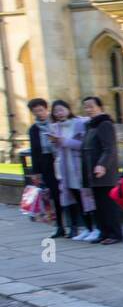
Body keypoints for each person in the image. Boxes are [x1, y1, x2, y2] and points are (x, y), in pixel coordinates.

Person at [45, 100, 96, 240]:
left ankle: (95, 228)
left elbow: (84, 145)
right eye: (56, 111)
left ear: (68, 109)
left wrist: (64, 141)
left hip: (78, 166)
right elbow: (57, 149)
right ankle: (87, 228)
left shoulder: (79, 123)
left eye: (61, 110)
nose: (59, 113)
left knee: (86, 198)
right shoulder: (56, 127)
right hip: (65, 168)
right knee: (76, 198)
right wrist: (55, 142)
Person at [81, 96, 123, 244]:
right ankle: (104, 232)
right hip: (92, 172)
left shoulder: (105, 124)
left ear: (100, 107)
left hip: (104, 172)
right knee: (98, 205)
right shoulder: (90, 126)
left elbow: (109, 148)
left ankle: (115, 234)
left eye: (91, 106)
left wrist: (102, 165)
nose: (88, 110)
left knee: (108, 205)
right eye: (86, 107)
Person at [25, 98, 65, 236]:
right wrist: (36, 172)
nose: (39, 114)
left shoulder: (56, 123)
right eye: (36, 112)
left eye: (41, 110)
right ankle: (60, 226)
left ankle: (75, 225)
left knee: (69, 195)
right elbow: (35, 151)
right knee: (54, 196)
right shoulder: (33, 129)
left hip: (60, 161)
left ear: (46, 109)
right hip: (46, 165)